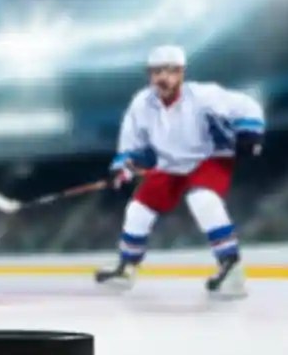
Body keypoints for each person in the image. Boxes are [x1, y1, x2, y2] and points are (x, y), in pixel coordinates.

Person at [95, 45, 265, 297]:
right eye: (156, 72)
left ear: (181, 73)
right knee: (138, 209)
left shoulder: (204, 96)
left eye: (170, 71)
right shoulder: (141, 104)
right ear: (149, 75)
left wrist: (250, 133)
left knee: (202, 199)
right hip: (169, 164)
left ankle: (231, 267)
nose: (163, 78)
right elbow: (130, 143)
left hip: (207, 157)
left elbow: (248, 106)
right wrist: (120, 168)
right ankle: (127, 267)